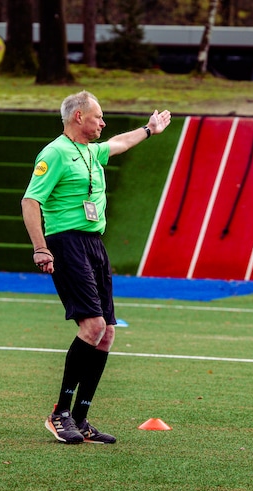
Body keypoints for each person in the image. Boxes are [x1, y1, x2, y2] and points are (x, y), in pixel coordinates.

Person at [21, 91, 172, 444]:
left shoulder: (91, 151)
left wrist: (148, 130)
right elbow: (30, 201)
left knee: (107, 332)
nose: (103, 123)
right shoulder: (55, 152)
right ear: (78, 117)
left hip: (93, 243)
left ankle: (81, 417)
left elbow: (119, 142)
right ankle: (59, 414)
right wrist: (41, 248)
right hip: (66, 242)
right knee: (92, 325)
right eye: (98, 116)